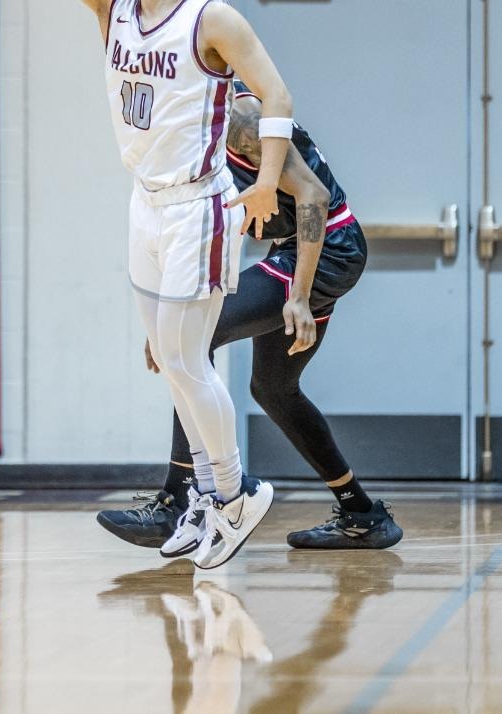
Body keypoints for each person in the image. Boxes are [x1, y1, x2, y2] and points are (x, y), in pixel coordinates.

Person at [17, 0, 293, 568]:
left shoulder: (213, 20)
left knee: (184, 358)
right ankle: (209, 496)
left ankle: (235, 496)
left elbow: (276, 95)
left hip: (200, 207)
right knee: (167, 360)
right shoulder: (113, 0)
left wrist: (265, 181)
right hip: (143, 204)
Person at [97, 89, 402, 549]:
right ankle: (362, 514)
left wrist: (299, 296)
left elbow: (313, 196)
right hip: (293, 249)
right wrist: (167, 315)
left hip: (327, 248)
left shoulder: (240, 116)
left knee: (200, 335)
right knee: (273, 388)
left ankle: (177, 502)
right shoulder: (193, 127)